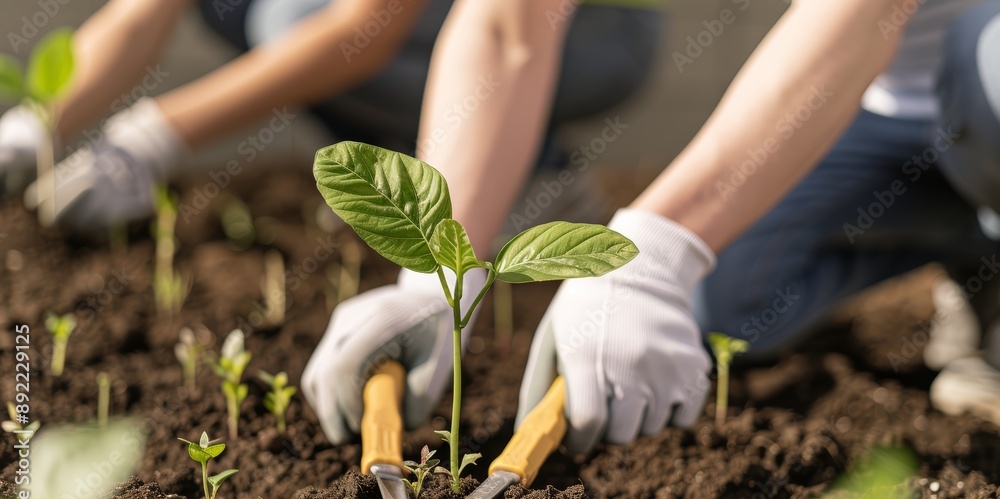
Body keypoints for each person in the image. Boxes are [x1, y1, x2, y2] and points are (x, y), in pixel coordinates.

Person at [301, 0, 1000, 455]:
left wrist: (657, 248)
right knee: (715, 304)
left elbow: (861, 19)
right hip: (872, 111)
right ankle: (980, 246)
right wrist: (435, 273)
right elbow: (509, 25)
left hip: (960, 72)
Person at [0, 0, 663, 230]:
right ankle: (447, 171)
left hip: (593, 34)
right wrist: (34, 127)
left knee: (294, 20)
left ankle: (529, 172)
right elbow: (135, 14)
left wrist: (149, 140)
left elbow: (365, 27)